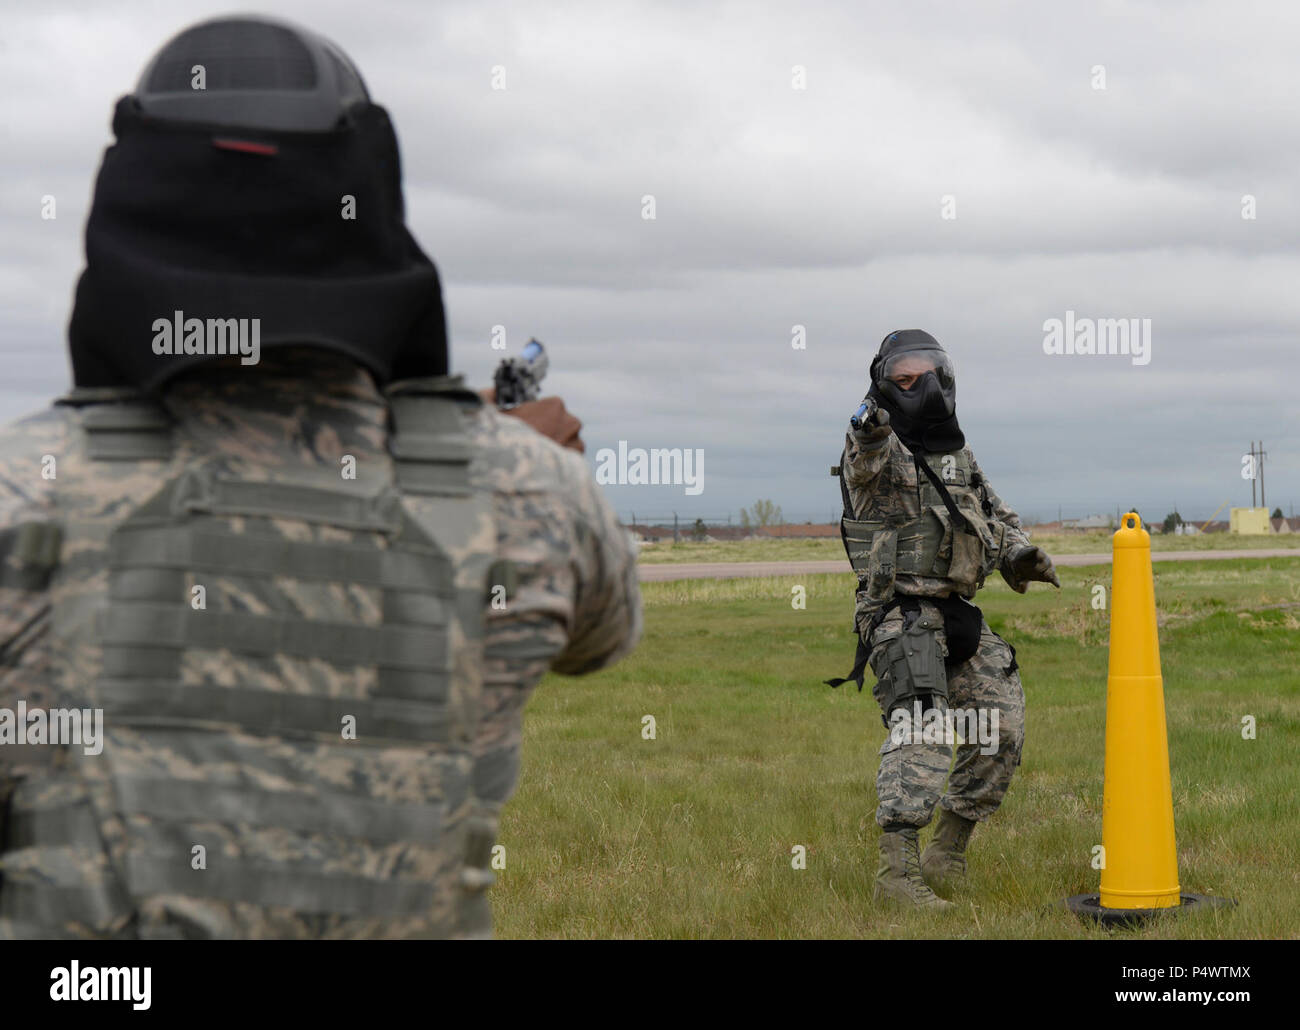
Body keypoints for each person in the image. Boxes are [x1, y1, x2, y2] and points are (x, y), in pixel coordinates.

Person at [0, 14, 640, 939]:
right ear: (367, 196)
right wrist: (518, 461)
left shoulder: (25, 491)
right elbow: (598, 643)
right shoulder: (537, 500)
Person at [828, 330, 1059, 909]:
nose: (920, 387)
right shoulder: (872, 446)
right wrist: (871, 426)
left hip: (957, 610)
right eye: (904, 378)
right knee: (923, 730)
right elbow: (864, 462)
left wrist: (1019, 554)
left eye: (927, 374)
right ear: (883, 385)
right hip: (899, 613)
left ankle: (948, 853)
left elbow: (991, 514)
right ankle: (896, 879)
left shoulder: (956, 453)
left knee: (1000, 727)